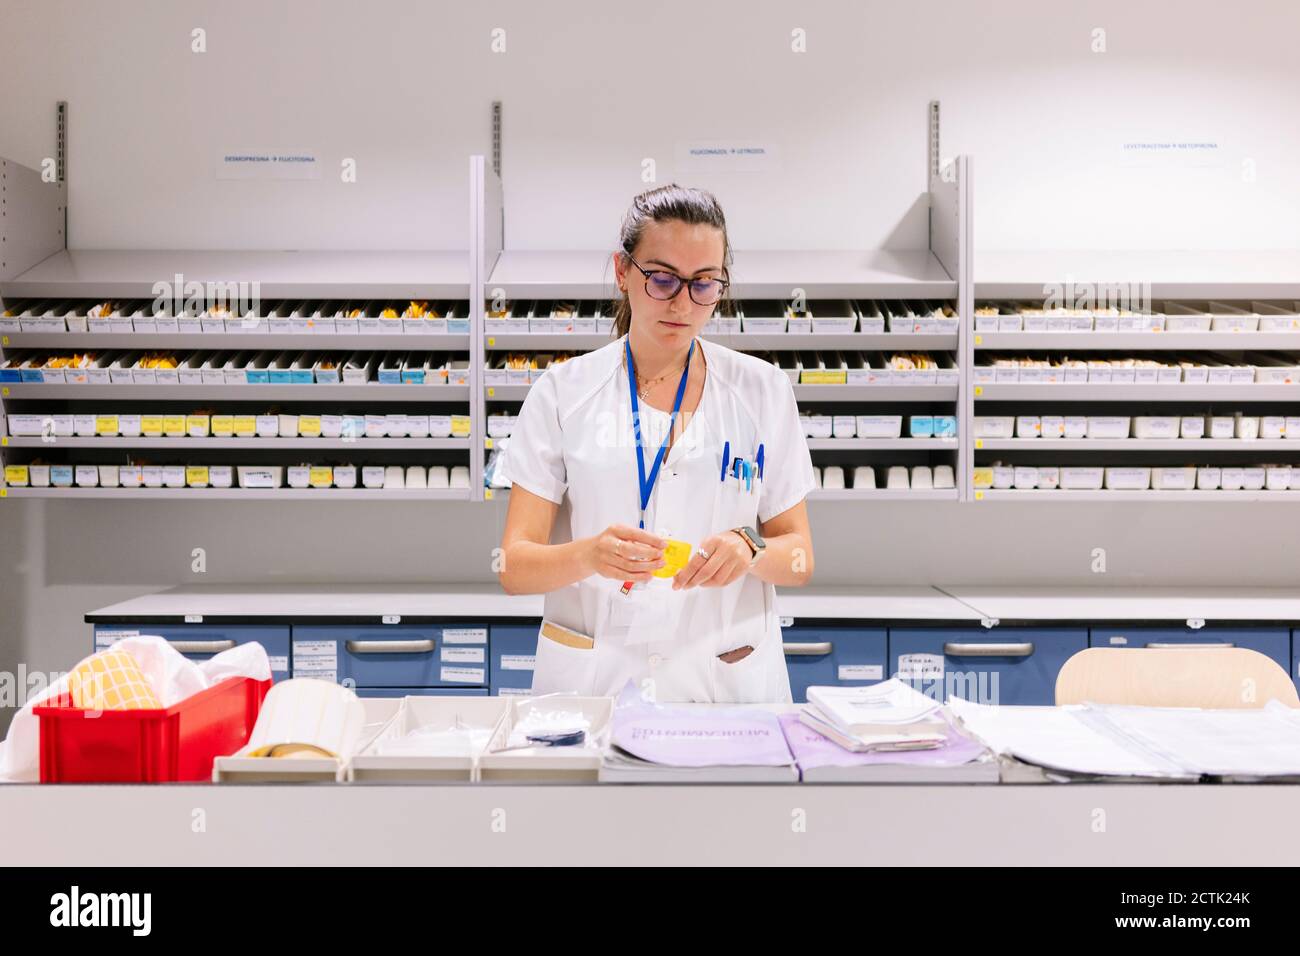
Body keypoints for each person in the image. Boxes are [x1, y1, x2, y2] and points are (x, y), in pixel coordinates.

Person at [497, 183, 816, 702]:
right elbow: (512, 566)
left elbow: (799, 557)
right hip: (598, 685)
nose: (683, 303)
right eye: (663, 279)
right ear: (623, 272)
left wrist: (749, 548)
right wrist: (590, 555)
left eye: (704, 284)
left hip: (722, 683)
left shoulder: (762, 391)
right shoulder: (563, 394)